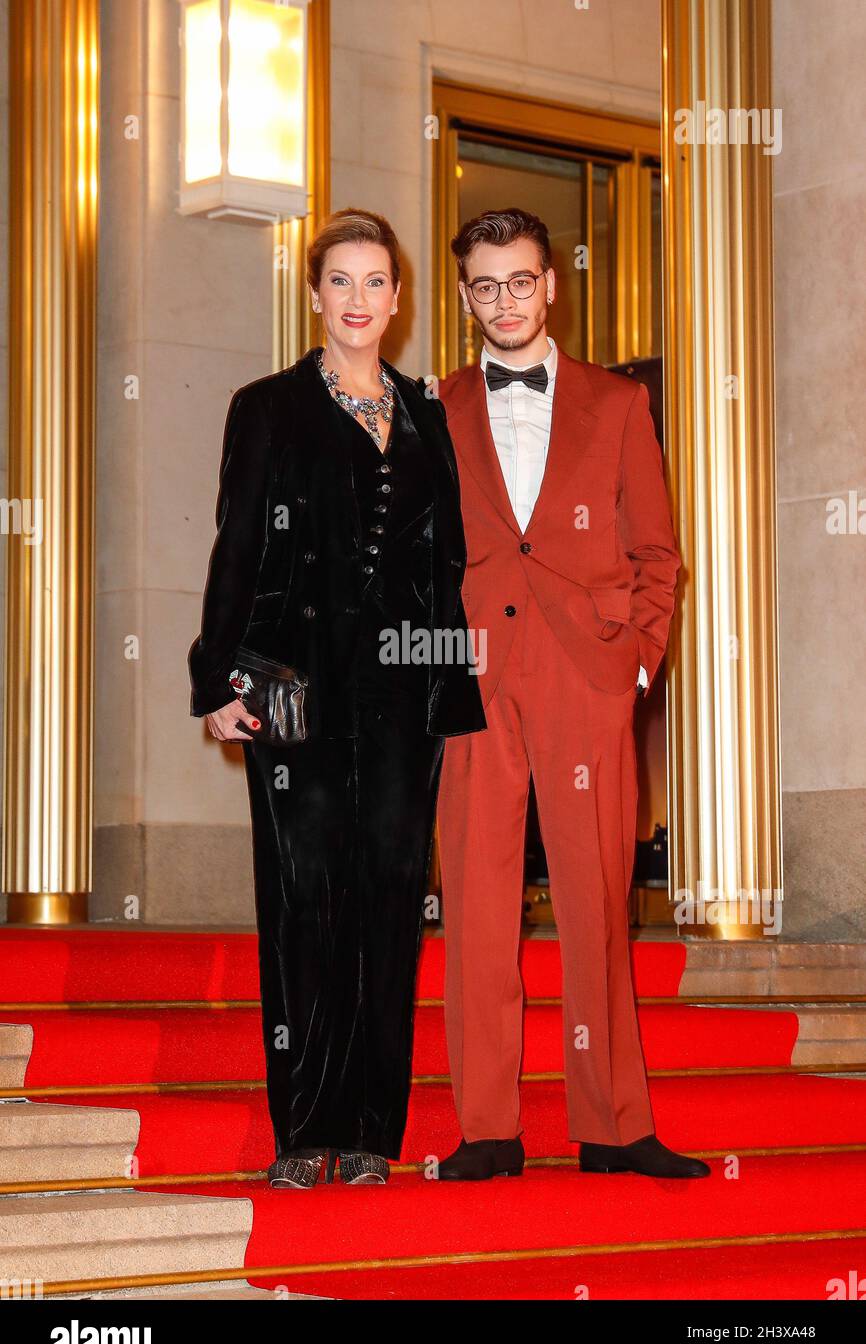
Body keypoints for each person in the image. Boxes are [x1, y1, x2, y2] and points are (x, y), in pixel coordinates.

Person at [188, 208, 484, 1189]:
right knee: (305, 894)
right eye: (339, 281)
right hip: (290, 681)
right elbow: (237, 550)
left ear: (398, 300)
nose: (357, 300)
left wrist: (451, 692)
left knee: (388, 901)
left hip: (400, 688)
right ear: (314, 295)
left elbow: (446, 565)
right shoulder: (265, 406)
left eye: (375, 282)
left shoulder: (428, 415)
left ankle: (366, 1134)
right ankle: (302, 1130)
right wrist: (220, 675)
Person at [434, 207, 709, 1181]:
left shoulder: (617, 402)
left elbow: (656, 553)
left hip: (586, 676)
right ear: (463, 295)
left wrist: (633, 661)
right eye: (484, 285)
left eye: (520, 280)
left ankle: (612, 1124)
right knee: (474, 899)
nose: (504, 300)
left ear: (550, 285)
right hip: (470, 675)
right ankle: (486, 1129)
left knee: (597, 898)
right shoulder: (435, 403)